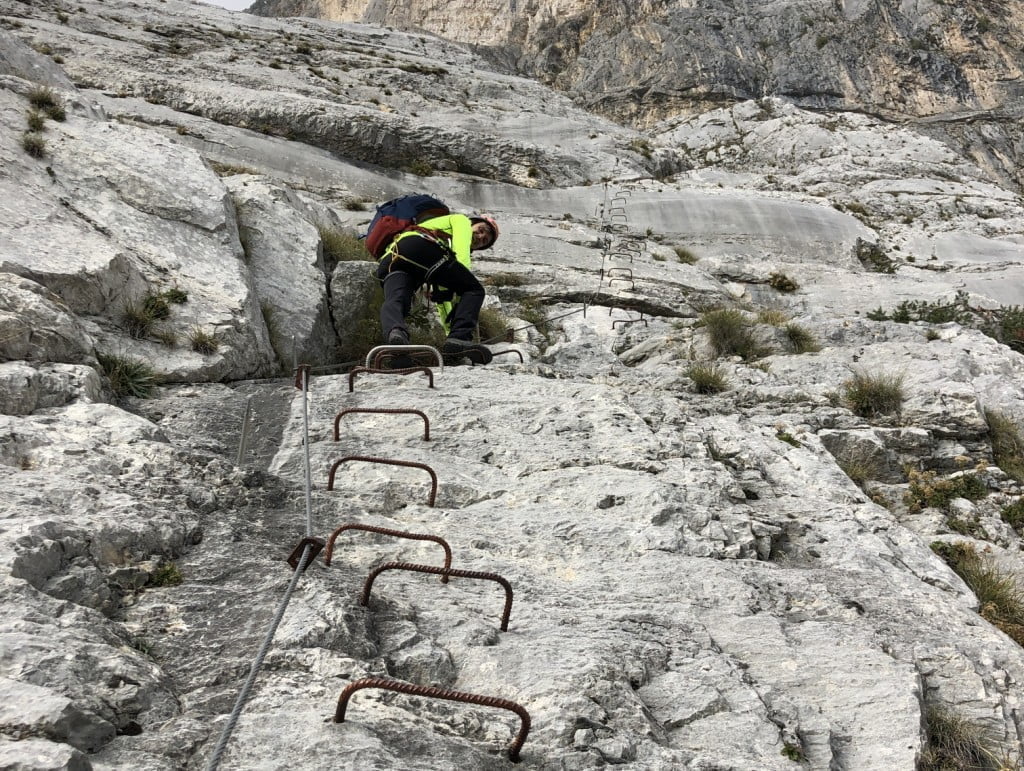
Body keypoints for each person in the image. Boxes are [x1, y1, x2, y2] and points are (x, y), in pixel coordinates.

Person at [375, 211, 499, 363]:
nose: (480, 237)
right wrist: (458, 339)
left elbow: (444, 305)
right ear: (473, 222)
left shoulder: (443, 239)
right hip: (421, 247)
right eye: (481, 230)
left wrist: (450, 338)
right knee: (474, 289)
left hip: (391, 259)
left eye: (484, 240)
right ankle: (460, 337)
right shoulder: (462, 221)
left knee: (397, 300)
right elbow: (461, 256)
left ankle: (396, 342)